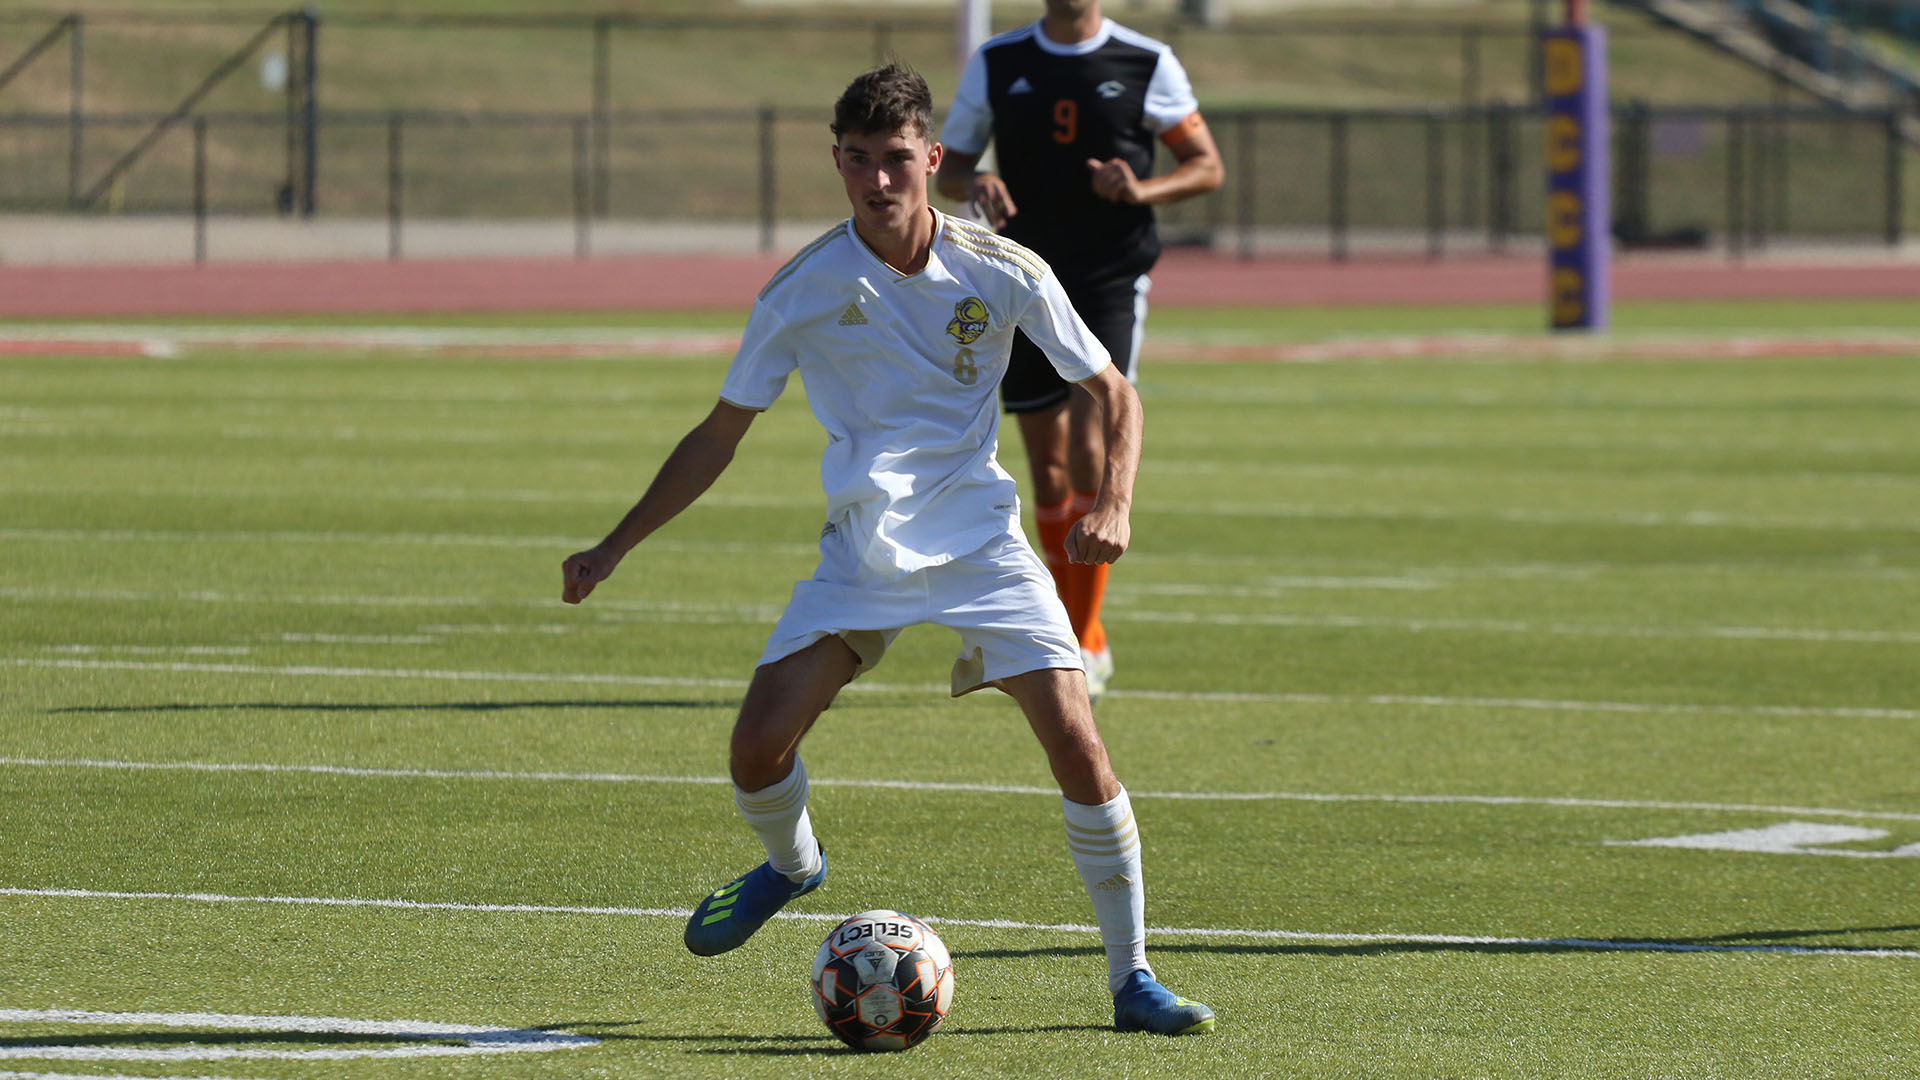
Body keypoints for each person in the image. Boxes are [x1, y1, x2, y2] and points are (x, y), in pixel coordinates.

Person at [561, 62, 1213, 1038]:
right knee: (755, 747)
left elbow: (1114, 392)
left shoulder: (1002, 268)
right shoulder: (802, 290)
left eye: (896, 160)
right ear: (837, 161)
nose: (877, 181)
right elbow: (718, 434)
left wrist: (1114, 502)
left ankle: (1133, 980)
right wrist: (614, 545)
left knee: (1078, 742)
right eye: (858, 161)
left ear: (932, 160)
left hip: (982, 539)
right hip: (863, 549)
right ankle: (792, 866)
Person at [936, 0, 1224, 702]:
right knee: (1049, 466)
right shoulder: (999, 62)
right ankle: (1073, 626)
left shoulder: (1144, 61)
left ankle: (1081, 637)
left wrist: (1142, 188)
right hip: (1023, 280)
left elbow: (1206, 166)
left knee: (1096, 453)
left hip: (1107, 278)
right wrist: (975, 183)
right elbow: (948, 173)